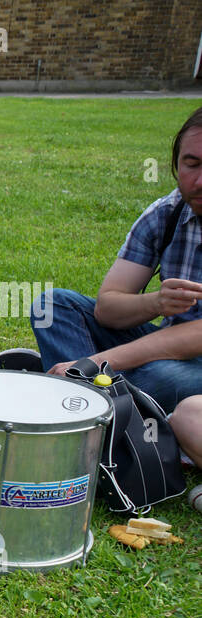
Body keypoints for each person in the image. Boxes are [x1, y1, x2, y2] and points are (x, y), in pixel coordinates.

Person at [16, 107, 202, 416]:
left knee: (156, 377)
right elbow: (108, 310)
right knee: (53, 305)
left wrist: (92, 363)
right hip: (160, 350)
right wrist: (157, 303)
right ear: (175, 164)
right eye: (191, 164)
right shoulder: (165, 215)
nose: (198, 181)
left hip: (177, 361)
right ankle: (102, 400)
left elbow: (192, 338)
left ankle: (77, 397)